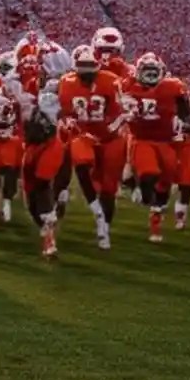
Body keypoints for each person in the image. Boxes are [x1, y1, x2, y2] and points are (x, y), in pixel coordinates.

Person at [57, 45, 129, 249]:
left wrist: (108, 131)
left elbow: (119, 114)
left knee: (108, 188)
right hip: (83, 133)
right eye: (83, 66)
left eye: (90, 66)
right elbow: (64, 112)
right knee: (80, 165)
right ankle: (96, 210)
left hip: (110, 137)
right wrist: (67, 121)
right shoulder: (67, 82)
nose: (87, 72)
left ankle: (104, 227)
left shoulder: (110, 81)